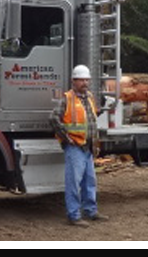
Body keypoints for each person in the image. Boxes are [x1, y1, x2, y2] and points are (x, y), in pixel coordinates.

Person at [50, 65, 110, 227]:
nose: (84, 82)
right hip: (75, 147)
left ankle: (90, 211)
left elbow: (91, 121)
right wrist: (67, 138)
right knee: (73, 183)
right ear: (73, 81)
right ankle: (74, 215)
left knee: (90, 181)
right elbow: (54, 119)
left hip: (88, 146)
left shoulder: (89, 97)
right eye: (81, 80)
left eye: (86, 80)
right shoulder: (67, 98)